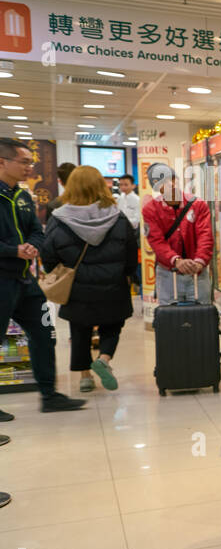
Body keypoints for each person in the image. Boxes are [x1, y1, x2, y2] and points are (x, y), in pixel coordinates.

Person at [0, 137, 87, 417]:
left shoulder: (23, 196)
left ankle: (49, 395)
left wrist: (33, 245)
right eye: (24, 162)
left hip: (26, 283)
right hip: (1, 282)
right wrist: (14, 250)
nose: (29, 167)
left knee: (44, 333)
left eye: (30, 162)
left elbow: (37, 230)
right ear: (3, 162)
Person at [39, 166, 138, 393]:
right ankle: (103, 359)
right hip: (113, 283)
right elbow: (131, 251)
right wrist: (128, 274)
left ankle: (85, 377)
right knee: (112, 325)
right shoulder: (116, 216)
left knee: (80, 328)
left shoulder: (59, 218)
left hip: (76, 285)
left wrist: (59, 271)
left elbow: (48, 253)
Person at [142, 162, 213, 304]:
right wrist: (176, 260)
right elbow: (156, 241)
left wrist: (200, 261)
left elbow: (205, 235)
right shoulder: (150, 209)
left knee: (202, 317)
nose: (170, 184)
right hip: (168, 274)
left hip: (197, 272)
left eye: (172, 178)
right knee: (170, 320)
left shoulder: (198, 204)